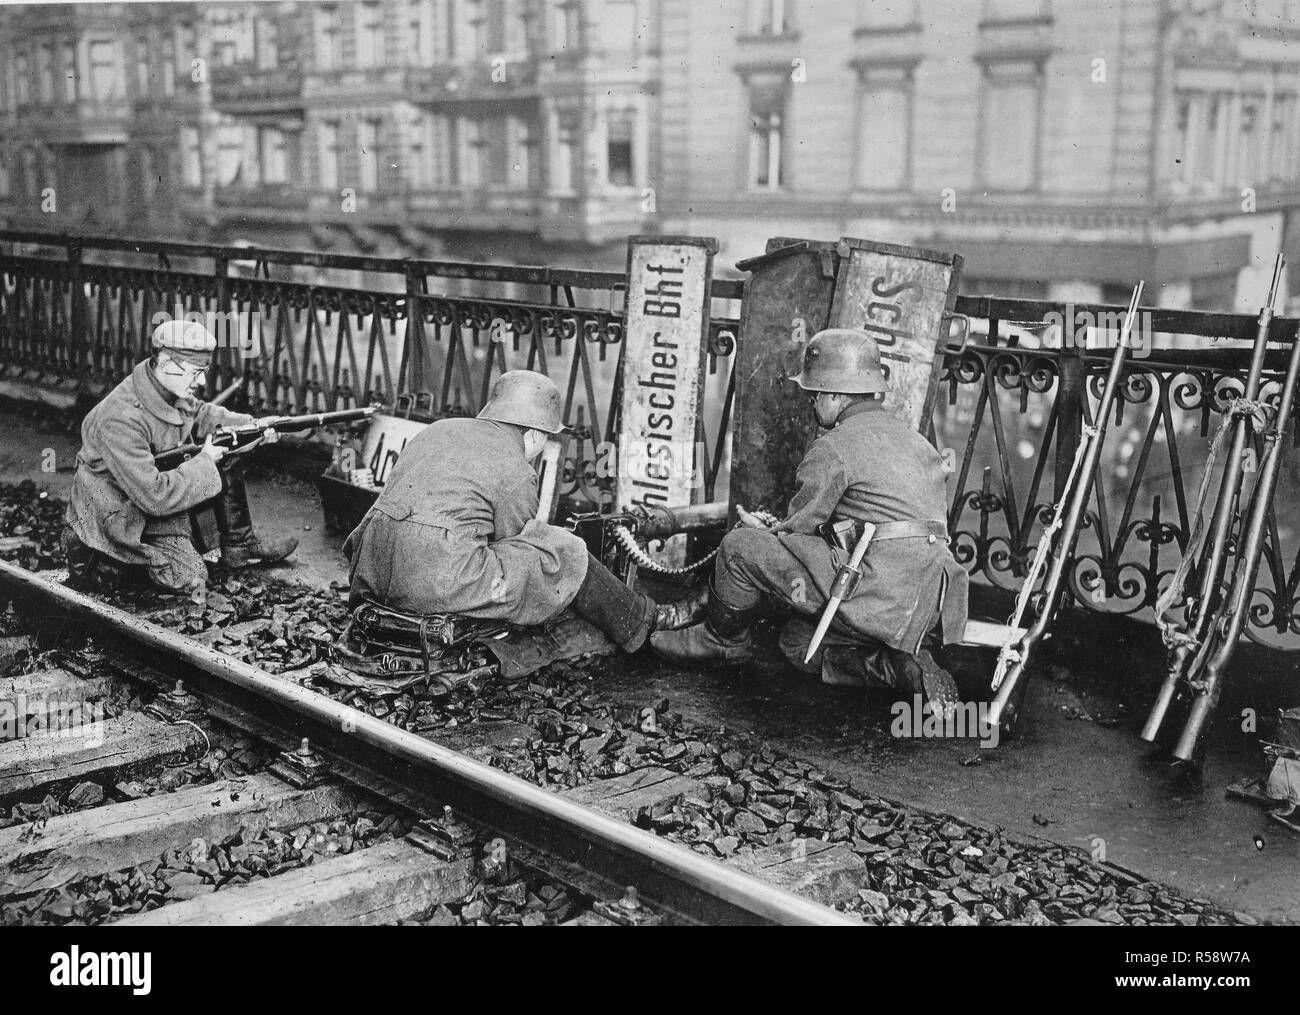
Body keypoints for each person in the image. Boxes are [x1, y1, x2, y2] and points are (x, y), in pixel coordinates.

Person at [650, 328, 969, 707]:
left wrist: (768, 531)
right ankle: (900, 666)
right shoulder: (918, 442)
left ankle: (721, 641)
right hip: (925, 605)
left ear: (836, 395)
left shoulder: (833, 447)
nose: (813, 403)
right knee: (795, 643)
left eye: (816, 394)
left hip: (871, 593)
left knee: (739, 548)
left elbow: (798, 527)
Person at [344, 370, 696, 653]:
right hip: (432, 584)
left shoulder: (439, 429)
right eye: (546, 436)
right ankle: (642, 623)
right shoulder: (517, 469)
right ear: (532, 434)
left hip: (372, 570)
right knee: (562, 551)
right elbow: (516, 541)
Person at [62, 320, 298, 601]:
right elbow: (155, 496)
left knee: (226, 444)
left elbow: (203, 415)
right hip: (116, 522)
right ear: (167, 363)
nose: (201, 382)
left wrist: (254, 426)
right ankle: (113, 565)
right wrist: (205, 461)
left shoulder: (167, 388)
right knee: (191, 578)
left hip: (145, 506)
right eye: (196, 372)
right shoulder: (119, 418)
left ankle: (240, 546)